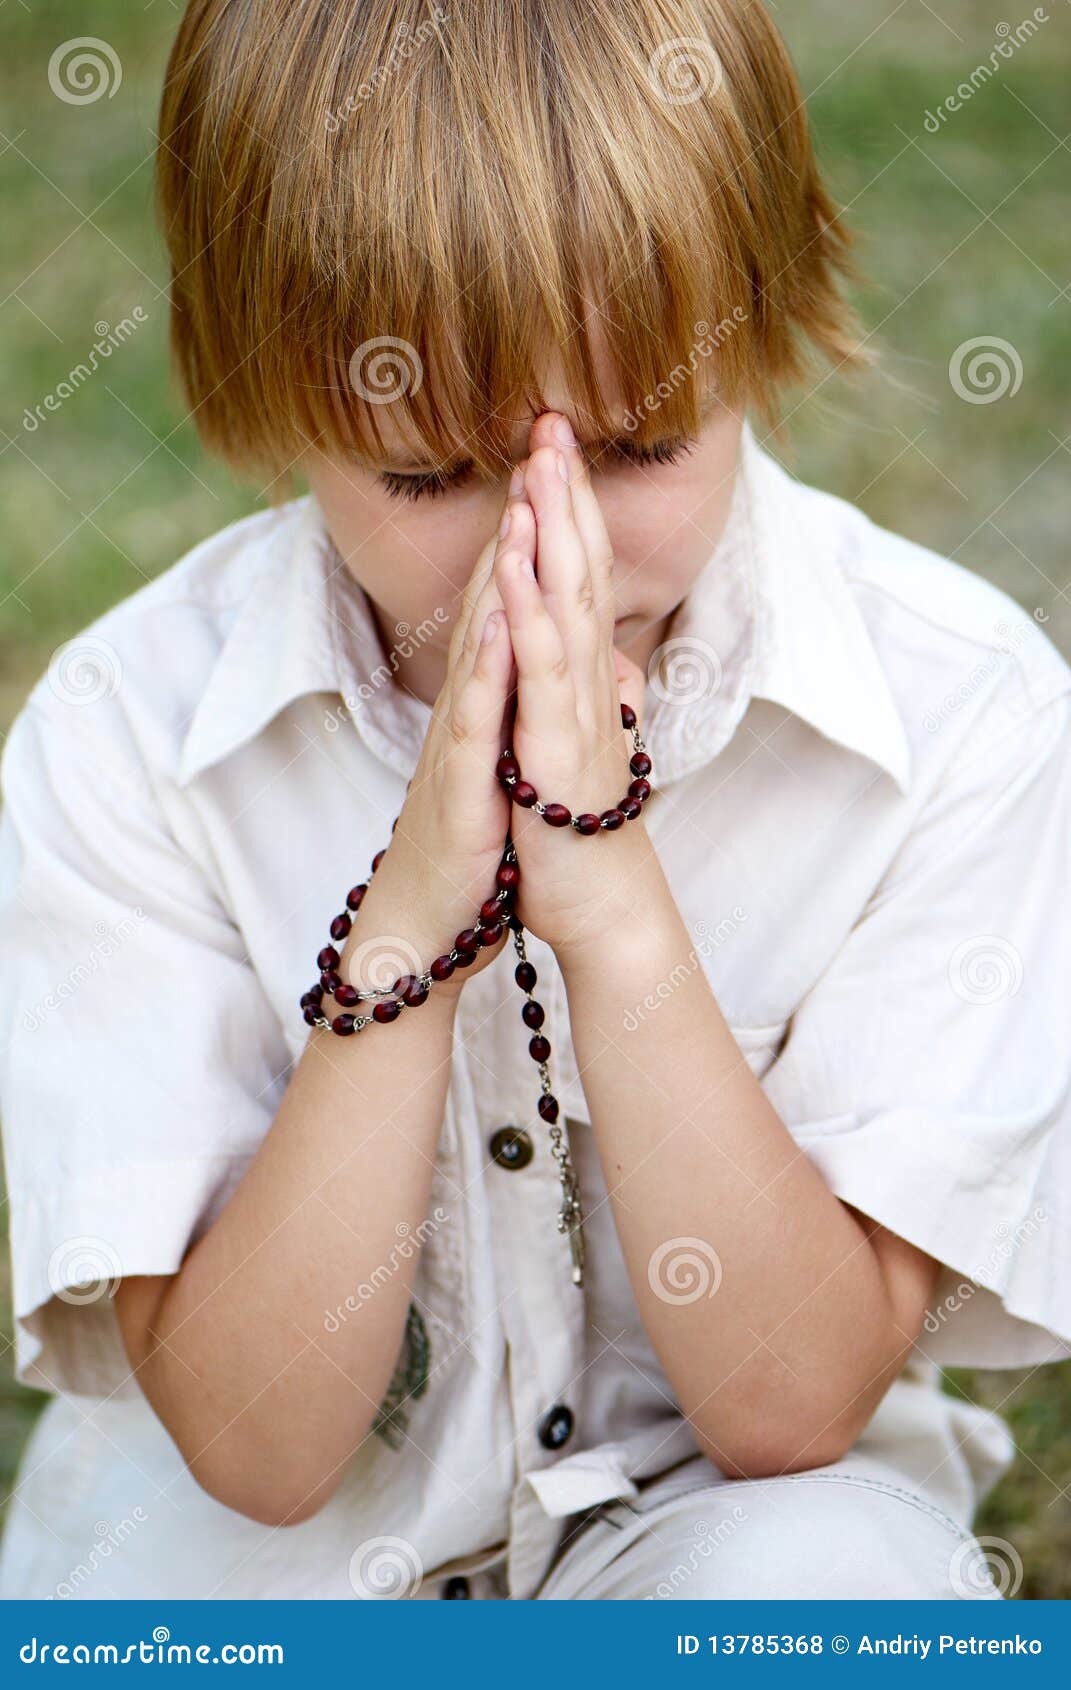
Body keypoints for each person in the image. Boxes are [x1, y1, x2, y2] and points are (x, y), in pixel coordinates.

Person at [0, 0, 1068, 1601]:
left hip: (714, 1530)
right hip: (268, 1578)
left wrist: (612, 903)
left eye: (636, 446)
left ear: (758, 339)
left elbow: (789, 1402)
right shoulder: (127, 735)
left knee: (846, 1595)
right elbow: (257, 1446)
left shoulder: (959, 713)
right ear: (267, 396)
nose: (538, 557)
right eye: (429, 474)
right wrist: (410, 927)